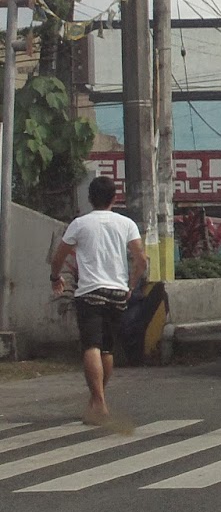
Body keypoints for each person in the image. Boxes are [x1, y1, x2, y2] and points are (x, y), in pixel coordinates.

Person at [48, 176, 146, 429]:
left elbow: (58, 257)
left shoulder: (80, 224)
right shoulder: (126, 224)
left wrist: (55, 277)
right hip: (117, 292)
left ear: (90, 199)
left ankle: (100, 402)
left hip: (90, 292)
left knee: (91, 346)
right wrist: (131, 285)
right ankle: (95, 402)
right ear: (115, 198)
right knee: (107, 349)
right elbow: (141, 260)